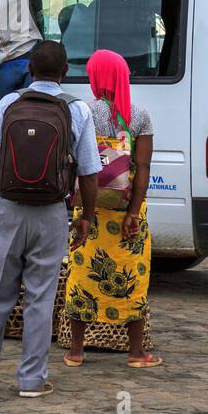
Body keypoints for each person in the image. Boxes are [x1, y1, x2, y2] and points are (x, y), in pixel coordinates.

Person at [0, 40, 101, 397]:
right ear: (65, 70)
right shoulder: (77, 111)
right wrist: (85, 216)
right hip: (51, 213)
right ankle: (31, 380)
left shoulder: (10, 103)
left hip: (8, 207)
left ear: (29, 70)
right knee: (41, 297)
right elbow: (89, 172)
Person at [62, 49, 162, 369]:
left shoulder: (83, 112)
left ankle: (77, 351)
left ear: (96, 77)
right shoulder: (140, 115)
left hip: (90, 212)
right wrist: (133, 213)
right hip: (126, 213)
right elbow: (143, 169)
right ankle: (135, 353)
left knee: (81, 276)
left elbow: (73, 161)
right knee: (132, 276)